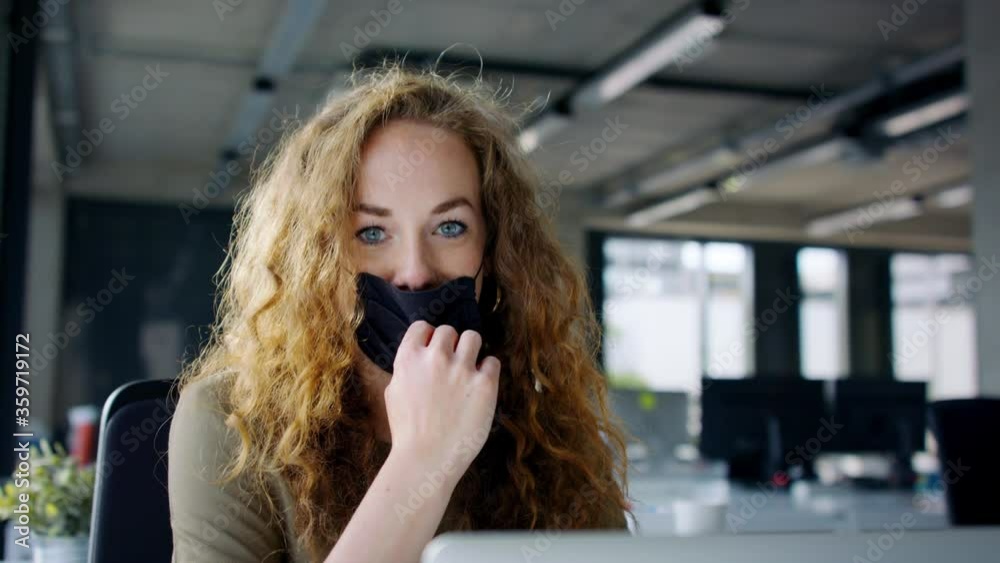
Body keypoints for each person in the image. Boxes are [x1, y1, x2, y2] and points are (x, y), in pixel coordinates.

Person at [167, 62, 632, 563]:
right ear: (317, 258)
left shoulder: (547, 427)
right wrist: (423, 459)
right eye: (372, 233)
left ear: (494, 252)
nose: (414, 272)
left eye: (450, 227)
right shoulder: (232, 420)